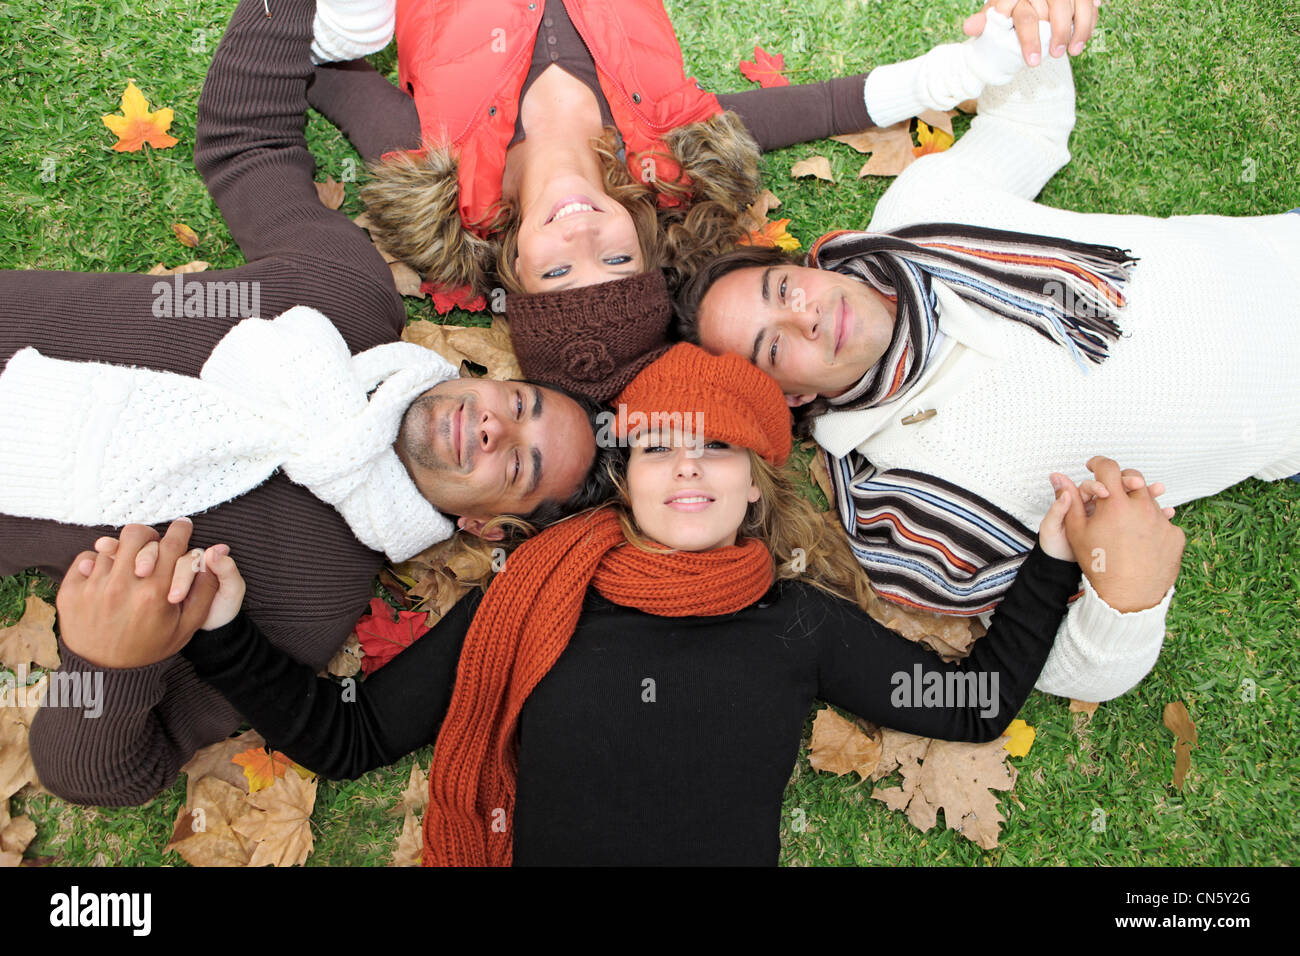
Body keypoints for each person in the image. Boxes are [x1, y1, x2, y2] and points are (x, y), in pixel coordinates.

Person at [55, 344, 1184, 864]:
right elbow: (346, 737)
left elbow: (976, 699)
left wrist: (1048, 561)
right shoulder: (535, 597)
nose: (688, 468)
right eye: (660, 450)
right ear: (628, 475)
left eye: (719, 451)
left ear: (753, 485)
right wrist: (223, 628)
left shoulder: (797, 627)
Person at [0, 0, 614, 806]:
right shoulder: (344, 298)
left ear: (486, 526)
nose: (498, 425)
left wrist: (107, 663)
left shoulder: (306, 599)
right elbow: (246, 143)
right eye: (523, 403)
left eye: (520, 462)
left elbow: (104, 775)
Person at [673, 12, 1300, 702]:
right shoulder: (908, 509)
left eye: (782, 287)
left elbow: (1029, 128)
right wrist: (1130, 598)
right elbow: (1053, 665)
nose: (805, 313)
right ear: (788, 396)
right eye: (774, 343)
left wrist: (1027, 28)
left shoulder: (922, 212)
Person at [303, 0, 1101, 401]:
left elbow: (307, 65)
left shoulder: (434, 171)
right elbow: (822, 110)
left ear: (512, 268)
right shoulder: (667, 157)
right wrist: (966, 71)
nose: (581, 233)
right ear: (646, 236)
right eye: (615, 259)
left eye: (558, 272)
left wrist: (334, 24)